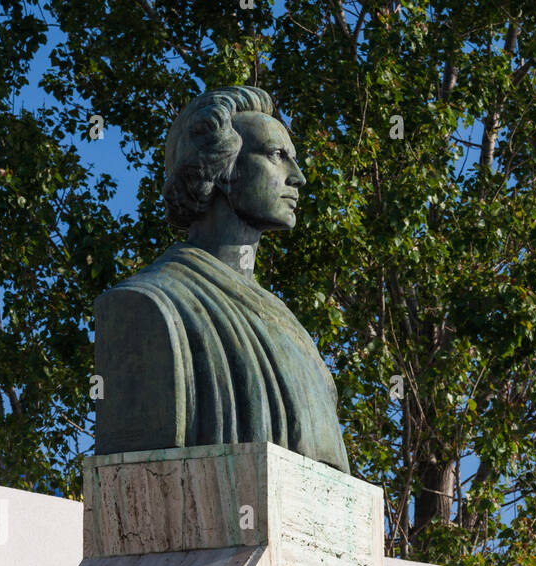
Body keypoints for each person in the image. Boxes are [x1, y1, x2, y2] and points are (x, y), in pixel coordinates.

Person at [93, 86, 349, 468]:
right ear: (222, 166)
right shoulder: (147, 304)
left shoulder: (294, 332)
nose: (298, 178)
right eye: (277, 156)